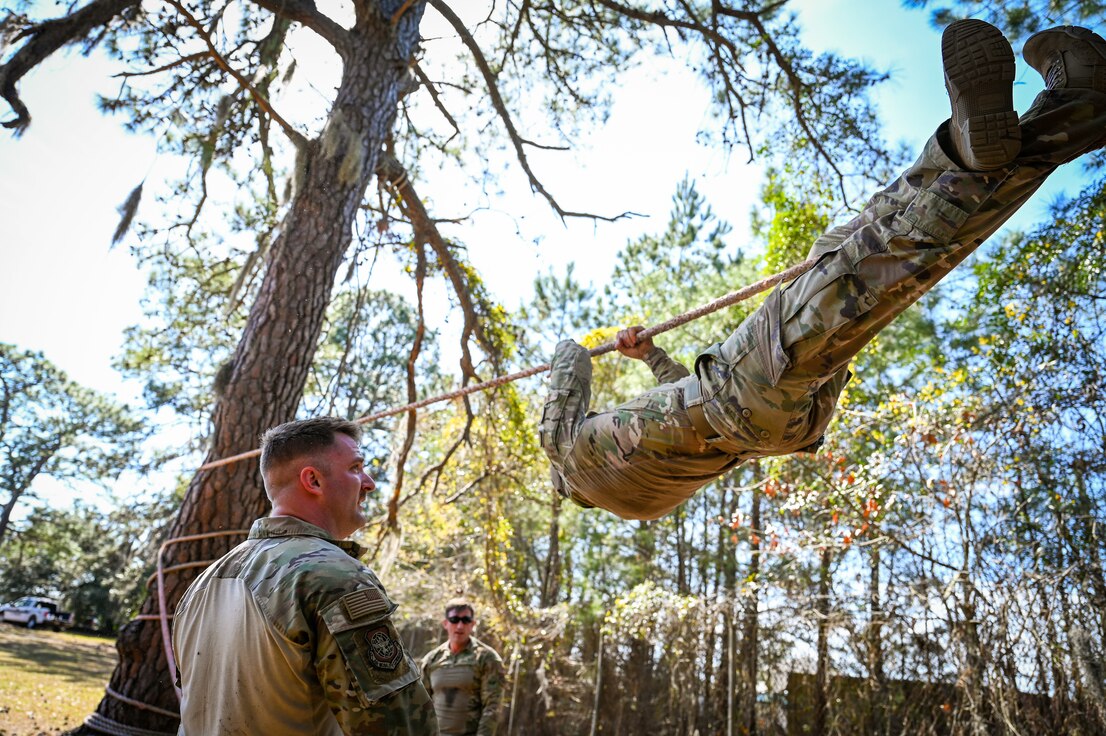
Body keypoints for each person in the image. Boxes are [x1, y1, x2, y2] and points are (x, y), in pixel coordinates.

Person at [541, 20, 1106, 521]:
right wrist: (573, 351)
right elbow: (567, 368)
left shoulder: (638, 497)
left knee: (851, 257)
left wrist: (649, 357)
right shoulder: (567, 453)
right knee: (883, 256)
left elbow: (682, 407)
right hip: (738, 394)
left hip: (778, 424)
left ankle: (1038, 122)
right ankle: (1023, 133)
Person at [172, 417, 437, 735]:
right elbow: (396, 725)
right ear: (313, 481)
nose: (369, 483)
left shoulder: (201, 586)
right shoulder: (333, 576)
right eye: (355, 468)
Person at [419, 598, 505, 736]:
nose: (460, 626)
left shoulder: (486, 658)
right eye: (454, 620)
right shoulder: (431, 660)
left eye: (465, 620)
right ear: (445, 623)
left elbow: (492, 707)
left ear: (472, 624)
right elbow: (422, 705)